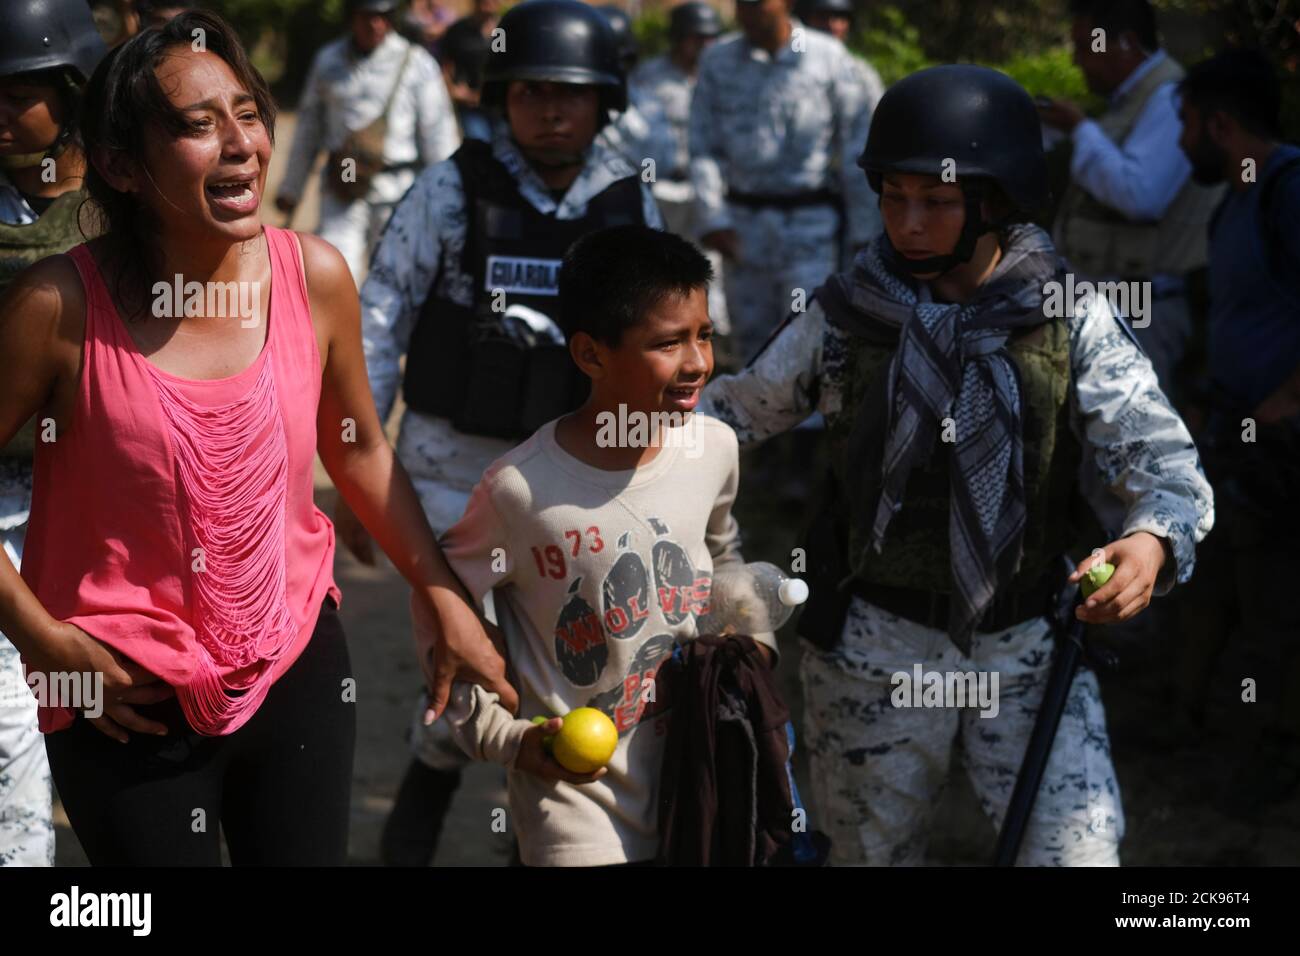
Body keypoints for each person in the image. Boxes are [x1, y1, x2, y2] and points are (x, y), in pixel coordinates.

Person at [0, 10, 512, 866]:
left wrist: (442, 591)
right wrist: (42, 639)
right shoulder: (59, 307)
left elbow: (354, 448)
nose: (240, 144)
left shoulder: (314, 276)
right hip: (118, 695)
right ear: (123, 164)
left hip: (298, 667)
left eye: (246, 113)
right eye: (198, 125)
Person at [700, 64, 1214, 865]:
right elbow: (731, 417)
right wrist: (614, 443)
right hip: (873, 654)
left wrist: (1151, 541)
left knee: (1078, 857)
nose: (908, 222)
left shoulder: (1068, 316)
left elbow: (1163, 462)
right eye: (892, 196)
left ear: (998, 201)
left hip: (1032, 647)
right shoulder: (842, 316)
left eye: (936, 201)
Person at [341, 0, 664, 867]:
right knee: (469, 669)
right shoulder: (450, 190)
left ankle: (539, 841)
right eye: (528, 93)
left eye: (569, 94)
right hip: (451, 477)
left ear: (605, 102)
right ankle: (422, 804)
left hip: (575, 482)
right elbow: (377, 326)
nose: (549, 111)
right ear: (498, 97)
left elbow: (662, 339)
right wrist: (360, 484)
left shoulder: (626, 200)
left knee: (579, 674)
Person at [442, 224, 778, 866]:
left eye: (703, 334)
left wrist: (753, 639)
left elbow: (722, 553)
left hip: (696, 781)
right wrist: (508, 740)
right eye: (667, 343)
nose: (698, 363)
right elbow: (446, 622)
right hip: (573, 804)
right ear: (591, 355)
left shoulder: (713, 448)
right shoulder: (519, 491)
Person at [1173, 48, 1300, 810]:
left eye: (1187, 123)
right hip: (1232, 438)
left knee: (1275, 607)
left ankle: (1273, 761)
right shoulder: (1238, 200)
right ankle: (1198, 730)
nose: (1181, 141)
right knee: (1213, 588)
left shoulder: (1289, 190)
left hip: (1282, 451)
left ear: (1219, 124)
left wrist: (1284, 404)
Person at [0, 0, 105, 868]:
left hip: (108, 514)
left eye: (14, 93)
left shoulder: (135, 206)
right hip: (5, 512)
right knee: (11, 741)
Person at [1038, 0, 1224, 399]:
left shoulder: (1170, 99)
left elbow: (1139, 196)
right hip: (1106, 301)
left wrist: (1079, 128)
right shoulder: (1132, 101)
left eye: (1086, 46)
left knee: (1132, 442)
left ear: (1124, 42)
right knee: (1095, 441)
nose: (1077, 60)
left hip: (1142, 308)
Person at [690, 0, 878, 368]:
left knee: (809, 330)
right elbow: (702, 146)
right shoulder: (718, 61)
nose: (748, 11)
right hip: (744, 225)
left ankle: (809, 425)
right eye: (741, 3)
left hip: (810, 224)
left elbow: (856, 146)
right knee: (751, 338)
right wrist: (713, 218)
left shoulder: (827, 58)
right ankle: (754, 423)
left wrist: (863, 232)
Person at [274, 0, 459, 284]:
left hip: (398, 193)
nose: (375, 24)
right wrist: (291, 187)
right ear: (352, 17)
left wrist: (448, 201)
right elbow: (308, 129)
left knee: (393, 283)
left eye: (382, 16)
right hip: (341, 189)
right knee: (333, 278)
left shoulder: (417, 63)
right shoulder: (328, 60)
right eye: (367, 16)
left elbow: (438, 136)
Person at [628, 3, 729, 347]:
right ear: (678, 38)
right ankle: (664, 332)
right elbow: (633, 133)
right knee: (662, 262)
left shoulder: (721, 75)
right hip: (662, 186)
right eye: (696, 38)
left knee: (710, 262)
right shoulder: (648, 77)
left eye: (711, 38)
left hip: (705, 187)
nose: (704, 45)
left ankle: (713, 337)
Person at [796, 0, 885, 107]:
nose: (831, 25)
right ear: (809, 21)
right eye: (822, 17)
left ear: (848, 24)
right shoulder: (792, 68)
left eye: (839, 17)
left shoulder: (861, 74)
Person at [438, 17, 491, 143]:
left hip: (496, 107)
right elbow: (445, 62)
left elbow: (503, 63)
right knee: (480, 149)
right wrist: (452, 89)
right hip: (470, 107)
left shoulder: (501, 31)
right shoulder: (459, 31)